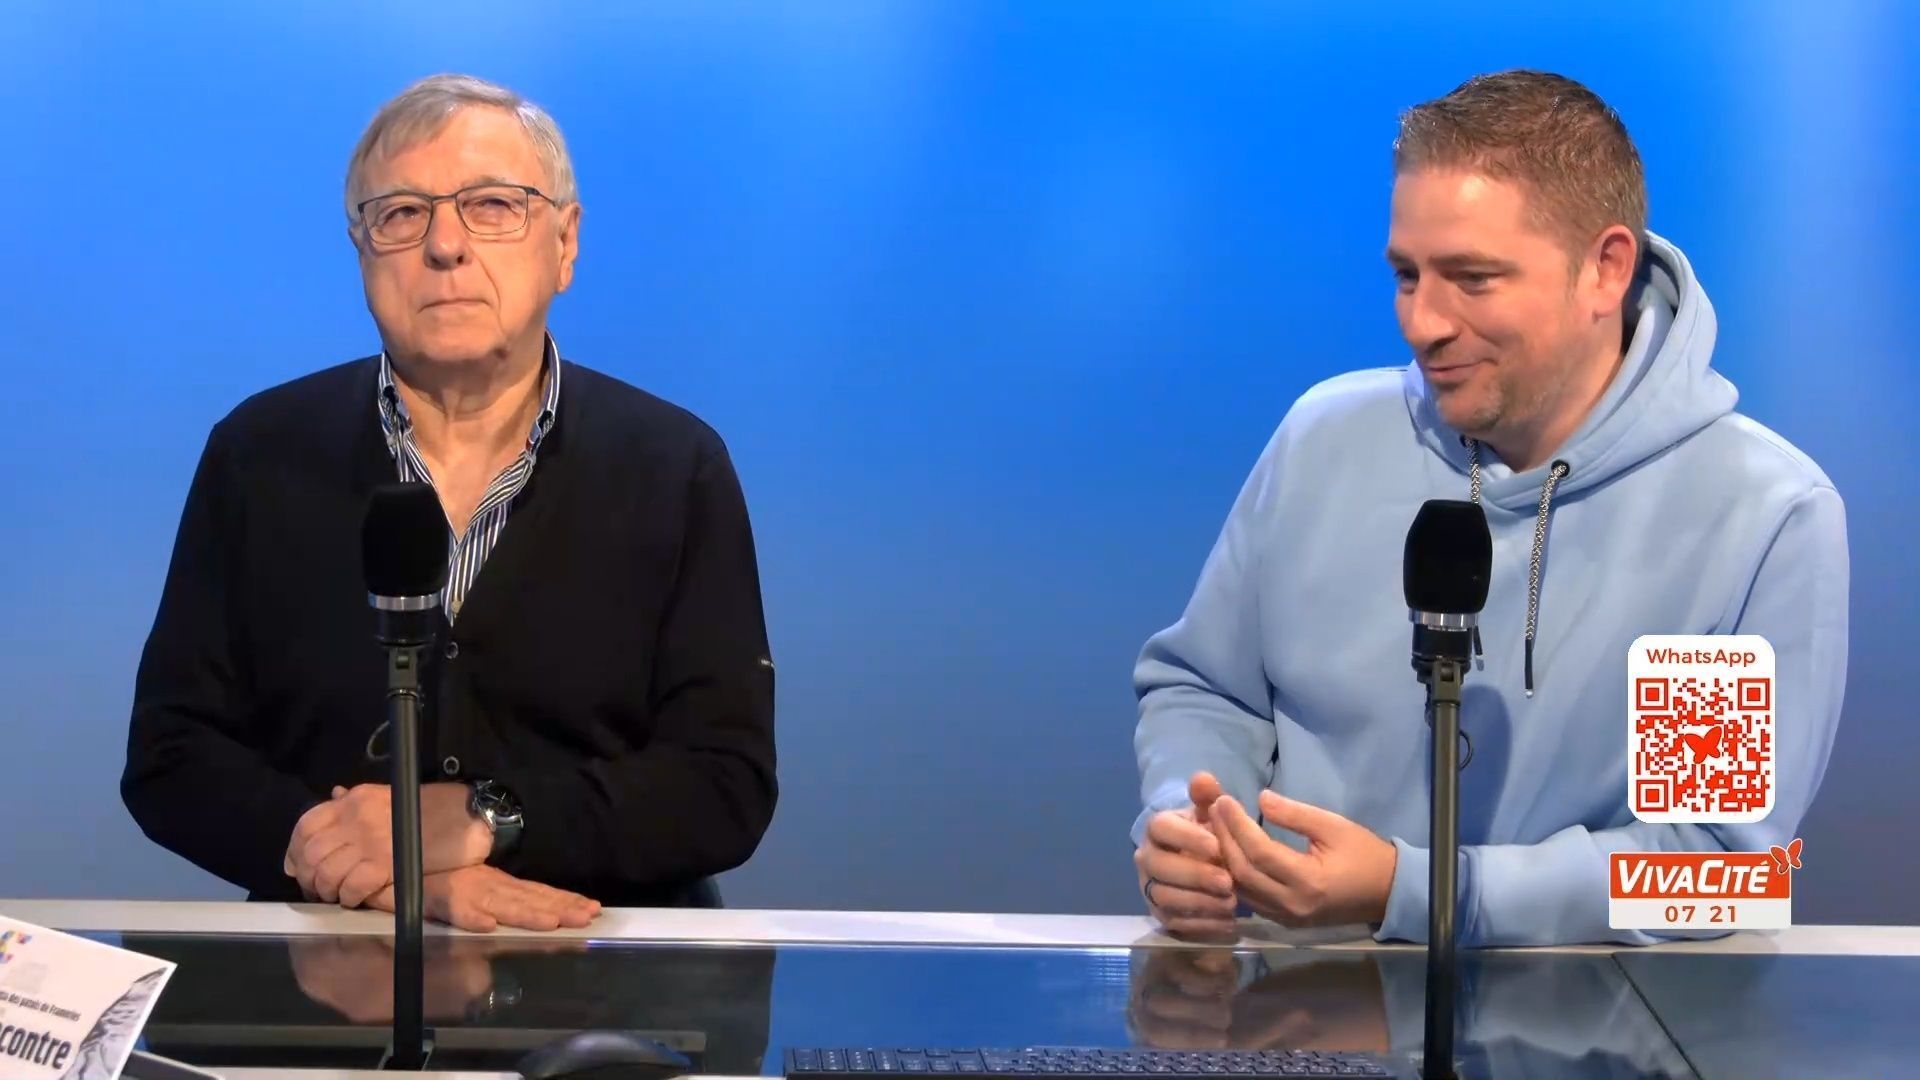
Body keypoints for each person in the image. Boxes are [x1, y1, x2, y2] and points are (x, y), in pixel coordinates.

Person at [1130, 70, 1847, 946]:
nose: (1422, 323)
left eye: (1472, 278)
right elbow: (1209, 689)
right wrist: (1193, 819)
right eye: (1407, 275)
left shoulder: (1751, 513)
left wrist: (1413, 890)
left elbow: (1706, 870)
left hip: (1590, 1023)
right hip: (1293, 1001)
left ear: (1605, 269)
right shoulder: (1324, 439)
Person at [122, 74, 778, 930]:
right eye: (401, 214)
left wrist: (481, 820)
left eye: (492, 205)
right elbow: (171, 756)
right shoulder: (258, 453)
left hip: (608, 969)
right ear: (361, 252)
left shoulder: (675, 466)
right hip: (330, 972)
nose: (444, 246)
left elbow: (724, 783)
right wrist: (383, 878)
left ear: (565, 243)